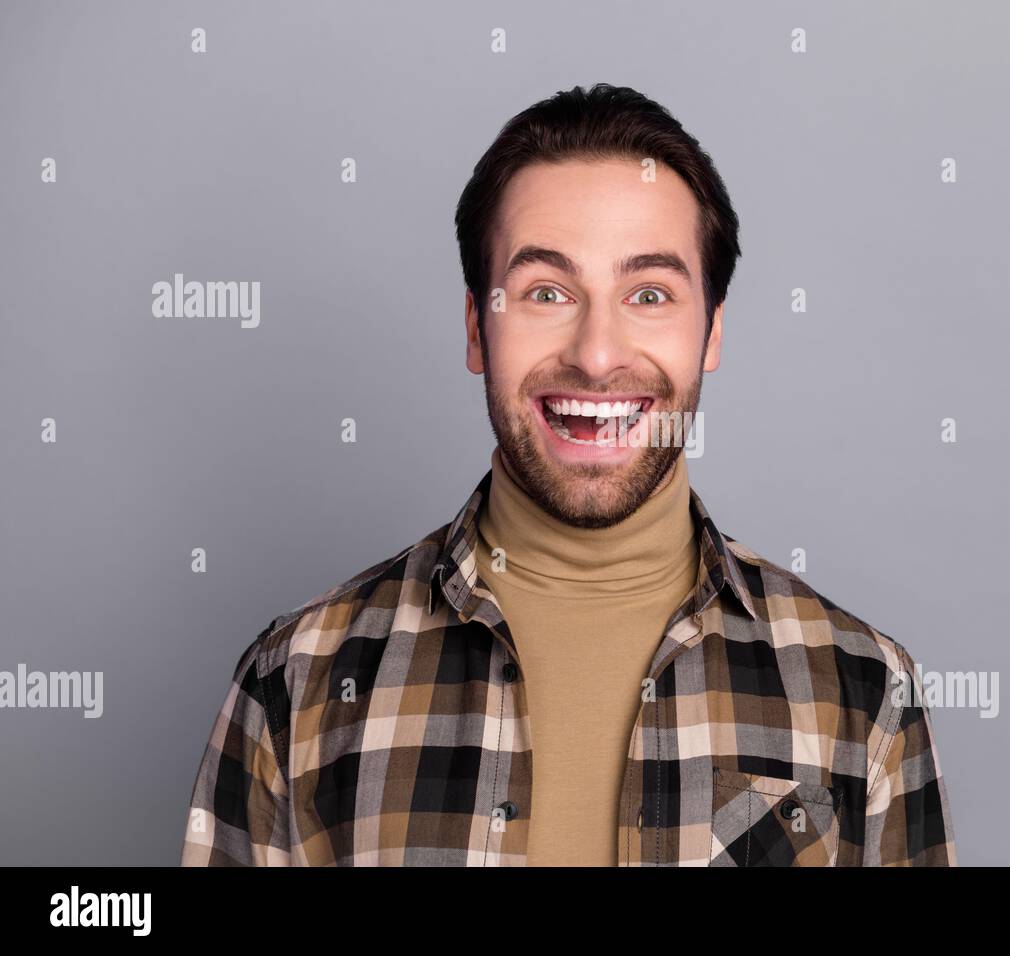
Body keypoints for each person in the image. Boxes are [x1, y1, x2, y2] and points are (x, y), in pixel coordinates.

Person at [180, 83, 956, 866]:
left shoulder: (861, 690)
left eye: (648, 294)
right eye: (546, 292)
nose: (595, 353)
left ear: (711, 332)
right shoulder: (298, 683)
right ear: (478, 329)